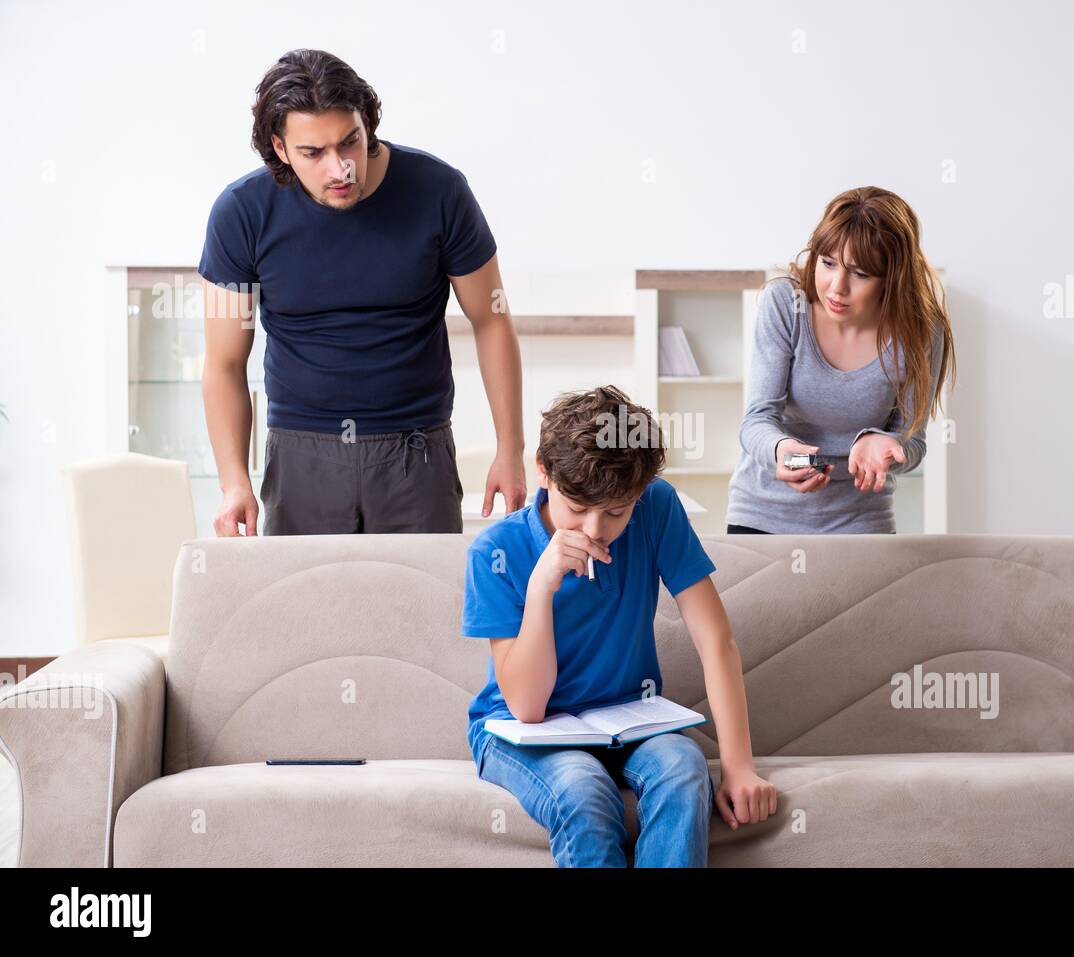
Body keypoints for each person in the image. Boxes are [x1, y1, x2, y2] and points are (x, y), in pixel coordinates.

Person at [198, 49, 528, 536]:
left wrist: (510, 449)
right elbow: (224, 363)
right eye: (313, 153)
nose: (340, 169)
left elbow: (491, 318)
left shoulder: (440, 191)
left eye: (349, 142)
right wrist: (233, 483)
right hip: (300, 453)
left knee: (422, 609)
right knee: (306, 611)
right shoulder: (240, 214)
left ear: (368, 123)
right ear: (280, 147)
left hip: (417, 453)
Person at [462, 385, 776, 867]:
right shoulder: (494, 553)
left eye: (615, 513)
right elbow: (526, 707)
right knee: (582, 790)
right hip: (520, 729)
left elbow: (716, 641)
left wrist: (739, 768)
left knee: (684, 769)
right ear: (543, 472)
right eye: (577, 508)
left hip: (627, 720)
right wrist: (542, 585)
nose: (593, 530)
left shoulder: (656, 506)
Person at [726, 186, 955, 534]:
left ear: (892, 278)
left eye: (861, 274)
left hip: (860, 522)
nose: (836, 287)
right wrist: (782, 449)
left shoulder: (921, 331)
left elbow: (914, 442)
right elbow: (757, 420)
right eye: (828, 263)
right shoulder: (786, 305)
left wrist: (886, 442)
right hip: (763, 515)